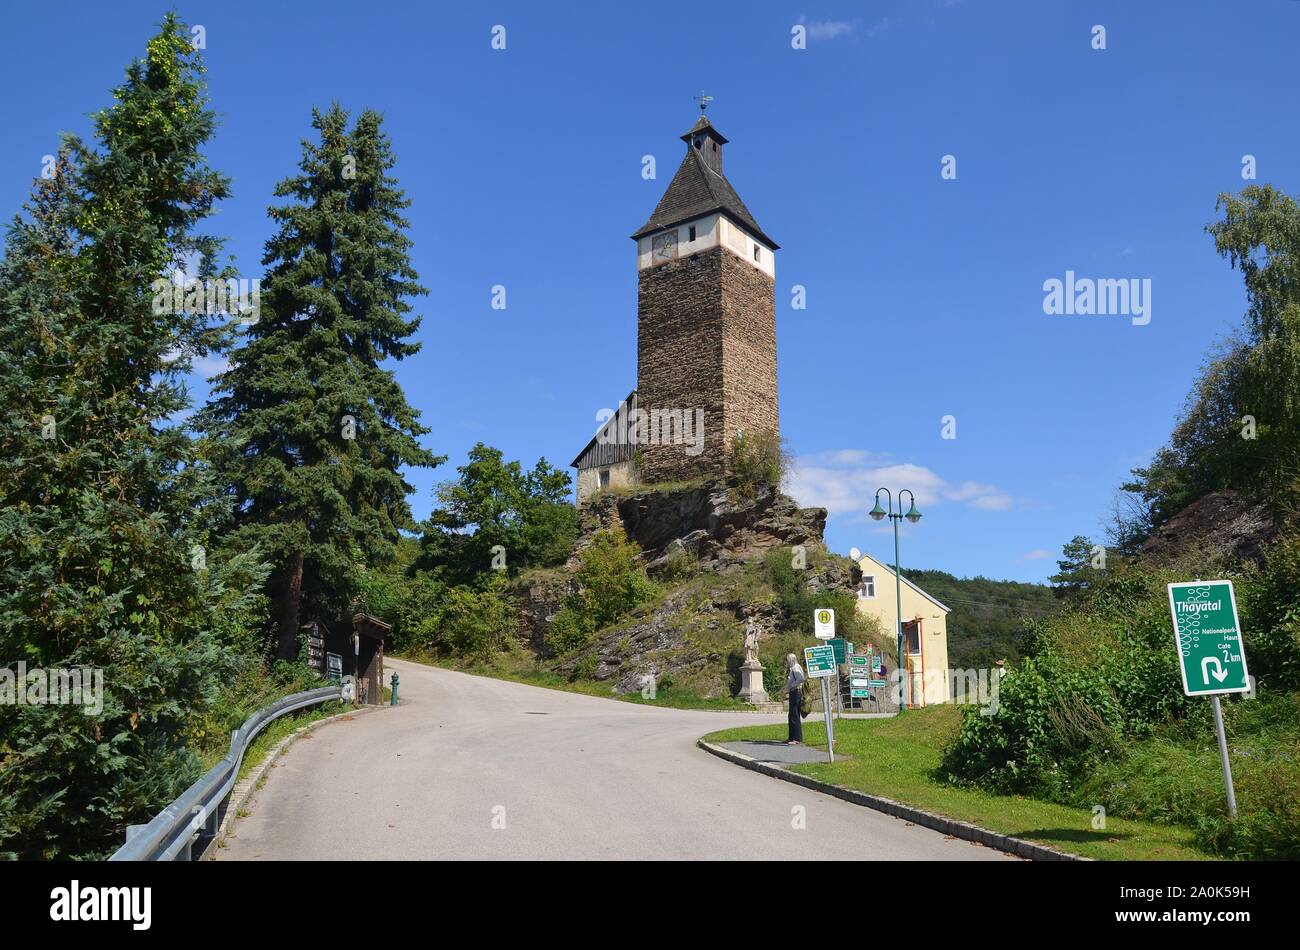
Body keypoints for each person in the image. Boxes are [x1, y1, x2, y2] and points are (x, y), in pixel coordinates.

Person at [785, 653, 805, 745]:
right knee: (791, 715)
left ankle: (796, 738)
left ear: (791, 660)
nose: (787, 662)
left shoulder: (795, 668)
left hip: (796, 692)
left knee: (794, 715)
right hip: (794, 692)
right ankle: (791, 737)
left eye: (788, 660)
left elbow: (800, 679)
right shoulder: (796, 667)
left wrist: (792, 686)